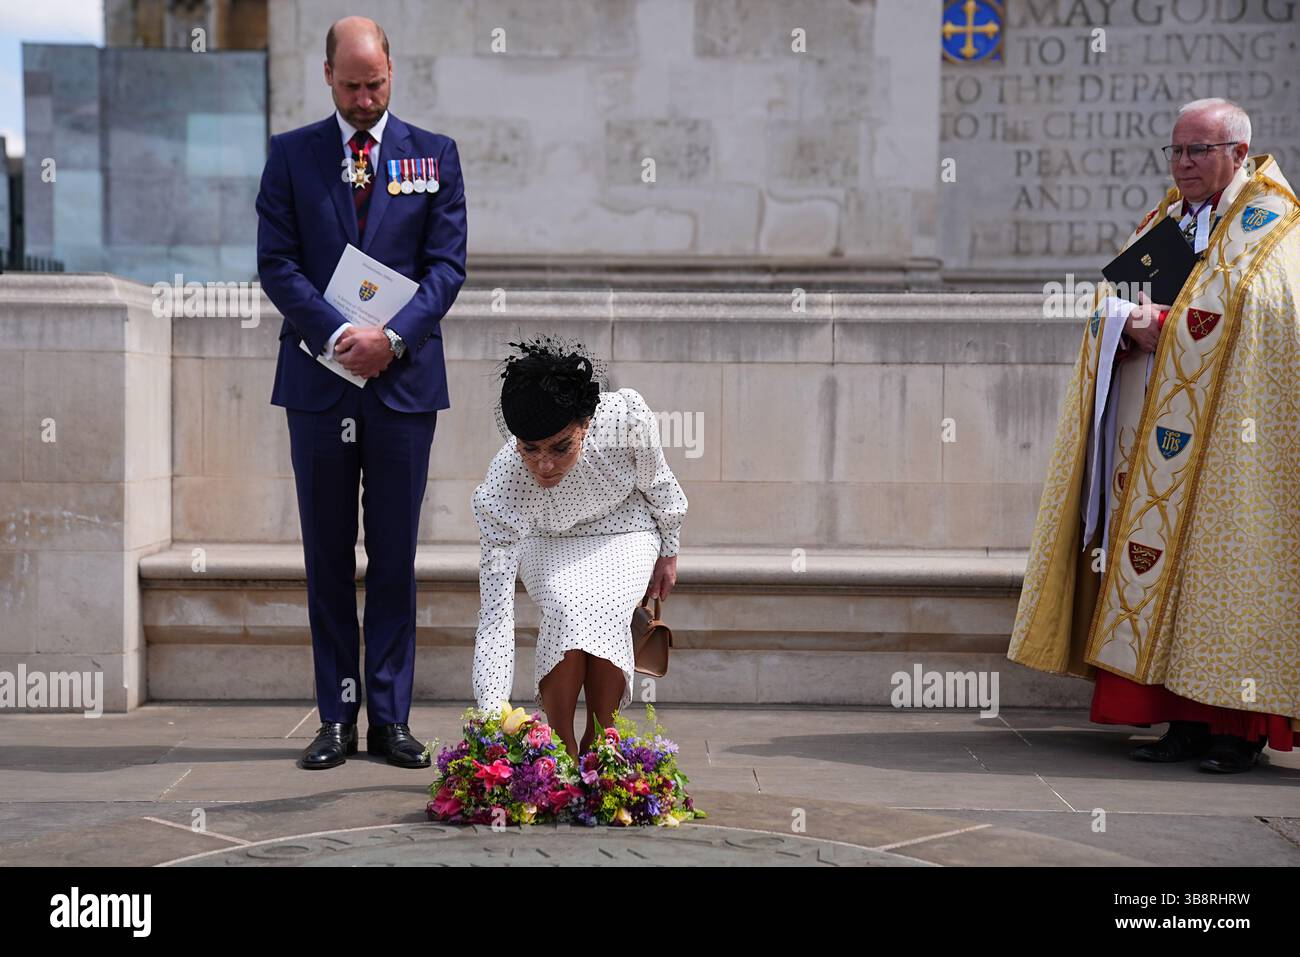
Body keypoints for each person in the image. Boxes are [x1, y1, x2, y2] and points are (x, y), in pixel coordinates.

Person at [1009, 98, 1300, 773]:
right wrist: (1118, 324)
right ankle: (1182, 722)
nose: (1183, 163)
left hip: (1233, 447)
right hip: (1158, 441)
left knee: (1221, 574)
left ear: (1238, 153)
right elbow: (1114, 294)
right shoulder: (1165, 220)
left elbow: (1269, 319)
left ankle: (1236, 728)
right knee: (1157, 570)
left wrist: (1166, 325)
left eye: (1197, 150)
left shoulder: (1275, 229)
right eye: (1175, 150)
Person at [254, 16, 467, 769]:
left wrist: (392, 338)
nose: (364, 98)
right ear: (326, 77)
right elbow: (278, 264)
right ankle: (336, 718)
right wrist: (341, 335)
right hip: (319, 385)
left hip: (403, 386)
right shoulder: (291, 157)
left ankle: (390, 718)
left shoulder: (434, 156)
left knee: (396, 557)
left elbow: (446, 266)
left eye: (375, 83)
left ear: (392, 71)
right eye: (350, 86)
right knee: (327, 556)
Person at [470, 337, 688, 758]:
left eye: (560, 446)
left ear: (586, 423)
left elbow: (659, 483)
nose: (544, 465)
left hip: (627, 530)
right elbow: (494, 614)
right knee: (568, 608)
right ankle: (558, 746)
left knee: (605, 606)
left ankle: (602, 742)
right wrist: (491, 720)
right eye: (529, 449)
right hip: (547, 542)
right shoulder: (501, 488)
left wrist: (670, 548)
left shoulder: (626, 419)